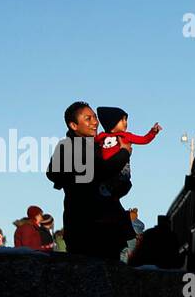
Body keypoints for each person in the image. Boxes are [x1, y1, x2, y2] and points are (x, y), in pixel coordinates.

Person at [45, 101, 136, 261]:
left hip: (108, 226)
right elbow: (97, 171)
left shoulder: (97, 146)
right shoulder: (68, 147)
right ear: (73, 125)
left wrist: (121, 183)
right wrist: (123, 153)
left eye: (94, 117)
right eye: (88, 118)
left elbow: (108, 180)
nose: (95, 122)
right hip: (86, 227)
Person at [94, 107, 161, 199]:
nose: (125, 122)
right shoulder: (101, 136)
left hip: (122, 168)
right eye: (122, 120)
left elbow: (143, 140)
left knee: (120, 179)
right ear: (112, 123)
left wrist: (152, 132)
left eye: (126, 120)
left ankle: (110, 191)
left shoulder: (126, 136)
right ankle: (106, 192)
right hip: (108, 167)